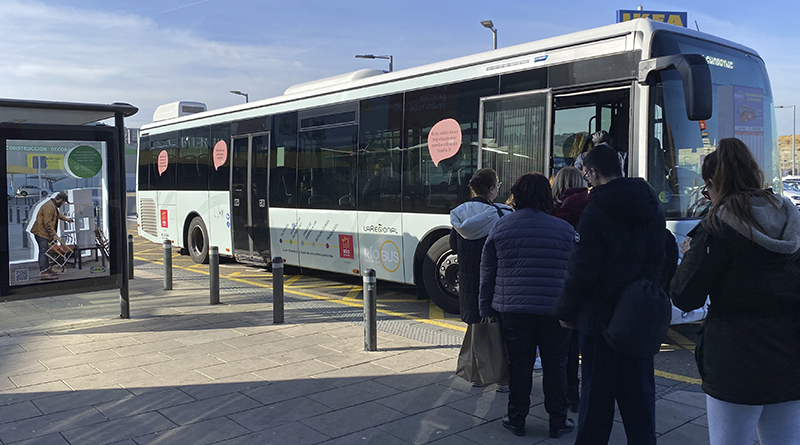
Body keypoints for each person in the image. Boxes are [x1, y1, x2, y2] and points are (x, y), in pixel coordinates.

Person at [670, 138, 800, 445]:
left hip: (734, 363)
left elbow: (685, 297)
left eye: (707, 190)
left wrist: (690, 256)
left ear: (715, 184)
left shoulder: (716, 229)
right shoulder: (792, 223)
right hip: (790, 359)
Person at [554, 145, 677, 445]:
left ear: (593, 172)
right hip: (640, 315)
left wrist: (565, 311)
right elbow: (666, 253)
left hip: (600, 318)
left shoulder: (596, 211)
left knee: (596, 401)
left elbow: (582, 269)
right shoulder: (651, 205)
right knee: (640, 401)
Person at [478, 173, 576, 438]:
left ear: (517, 195)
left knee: (519, 364)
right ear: (547, 196)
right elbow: (575, 273)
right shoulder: (565, 230)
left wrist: (485, 308)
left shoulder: (501, 227)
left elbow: (488, 271)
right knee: (556, 365)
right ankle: (558, 421)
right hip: (555, 309)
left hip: (513, 309)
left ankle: (517, 419)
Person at [449, 168, 512, 391]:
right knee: (498, 331)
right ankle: (502, 379)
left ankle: (476, 377)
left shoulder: (459, 214)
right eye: (497, 185)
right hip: (494, 280)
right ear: (492, 188)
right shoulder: (500, 214)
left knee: (476, 329)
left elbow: (454, 245)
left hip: (469, 281)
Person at [551, 166, 590, 413]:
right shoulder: (591, 207)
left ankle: (566, 394)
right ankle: (578, 395)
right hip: (585, 281)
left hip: (559, 283)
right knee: (581, 344)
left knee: (562, 346)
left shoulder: (555, 212)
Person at [29, 191, 74, 281]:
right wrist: (54, 235)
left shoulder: (52, 205)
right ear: (60, 200)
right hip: (41, 233)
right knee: (43, 252)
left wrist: (66, 219)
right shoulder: (49, 207)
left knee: (46, 252)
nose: (63, 204)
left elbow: (56, 215)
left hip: (43, 233)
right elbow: (47, 223)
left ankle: (47, 269)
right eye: (63, 202)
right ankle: (43, 272)